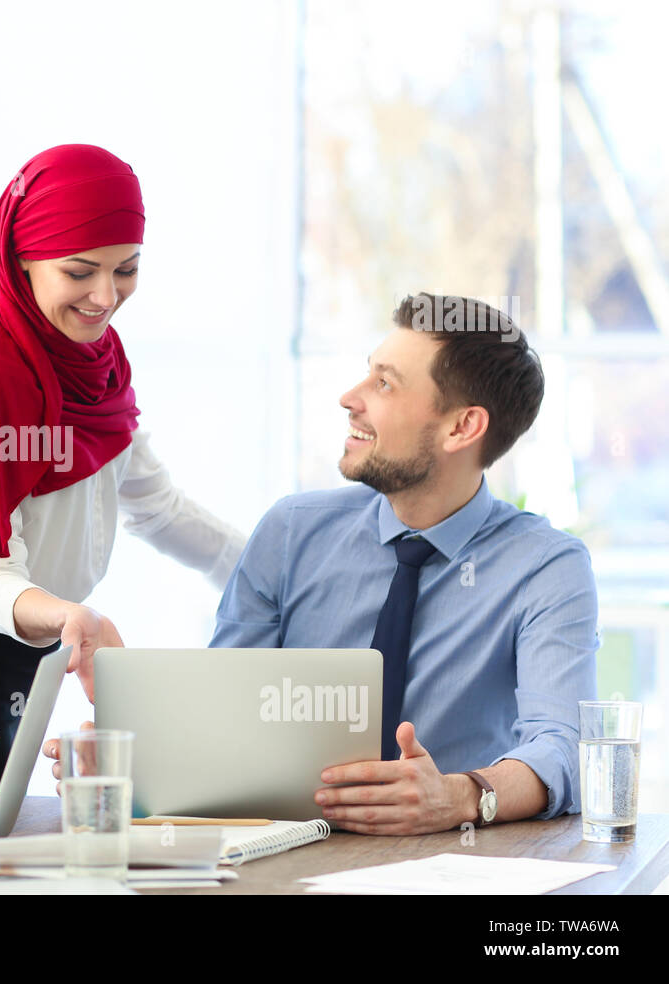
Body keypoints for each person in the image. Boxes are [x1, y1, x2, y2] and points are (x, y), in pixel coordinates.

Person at [0, 144, 245, 792]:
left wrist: (269, 574)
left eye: (127, 270)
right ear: (21, 255)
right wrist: (65, 617)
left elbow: (154, 504)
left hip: (39, 639)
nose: (106, 297)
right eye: (81, 271)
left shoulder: (88, 351)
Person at [207, 293, 598, 834]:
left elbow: (563, 748)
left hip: (453, 864)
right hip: (285, 850)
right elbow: (220, 707)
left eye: (384, 384)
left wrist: (460, 796)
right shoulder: (291, 530)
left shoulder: (545, 566)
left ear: (462, 428)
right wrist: (143, 751)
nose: (350, 398)